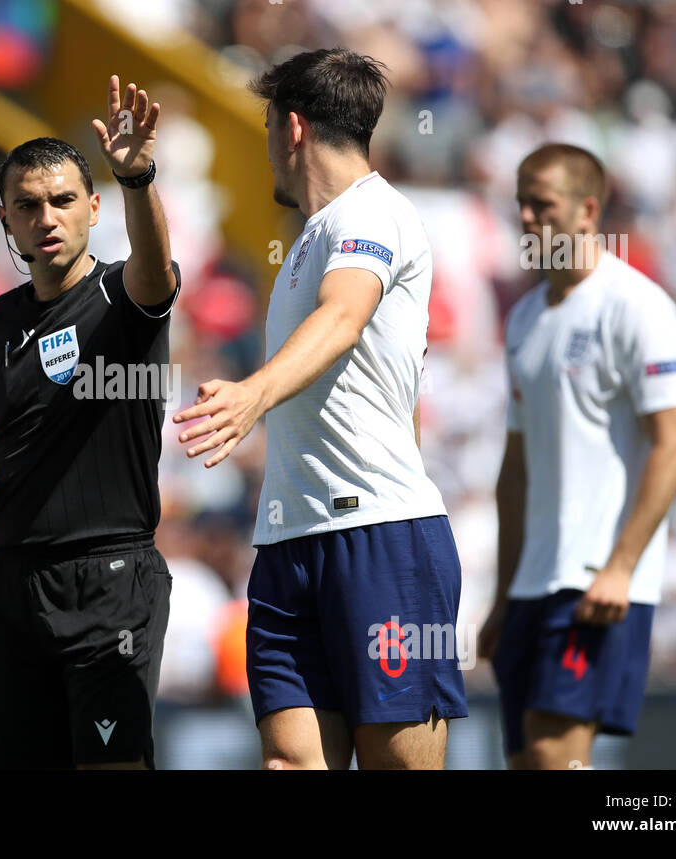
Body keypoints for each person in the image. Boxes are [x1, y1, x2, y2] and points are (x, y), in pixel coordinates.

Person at [173, 48, 466, 769]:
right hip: (289, 540)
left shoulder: (375, 213)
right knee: (289, 763)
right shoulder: (312, 236)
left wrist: (252, 393)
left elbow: (343, 316)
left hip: (379, 534)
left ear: (293, 128)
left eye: (268, 127)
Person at [0, 76, 179, 769]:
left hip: (109, 577)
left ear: (94, 207)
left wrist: (137, 177)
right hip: (15, 580)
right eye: (27, 205)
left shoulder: (122, 294)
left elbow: (156, 270)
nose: (46, 218)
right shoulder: (2, 317)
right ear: (5, 219)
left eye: (63, 200)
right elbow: (19, 427)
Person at [478, 143, 676, 769]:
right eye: (520, 203)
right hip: (532, 582)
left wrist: (621, 566)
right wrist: (503, 595)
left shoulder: (637, 306)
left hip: (598, 576)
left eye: (541, 203)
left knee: (554, 754)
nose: (526, 217)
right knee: (527, 761)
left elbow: (675, 446)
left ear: (588, 210)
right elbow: (515, 471)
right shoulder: (523, 319)